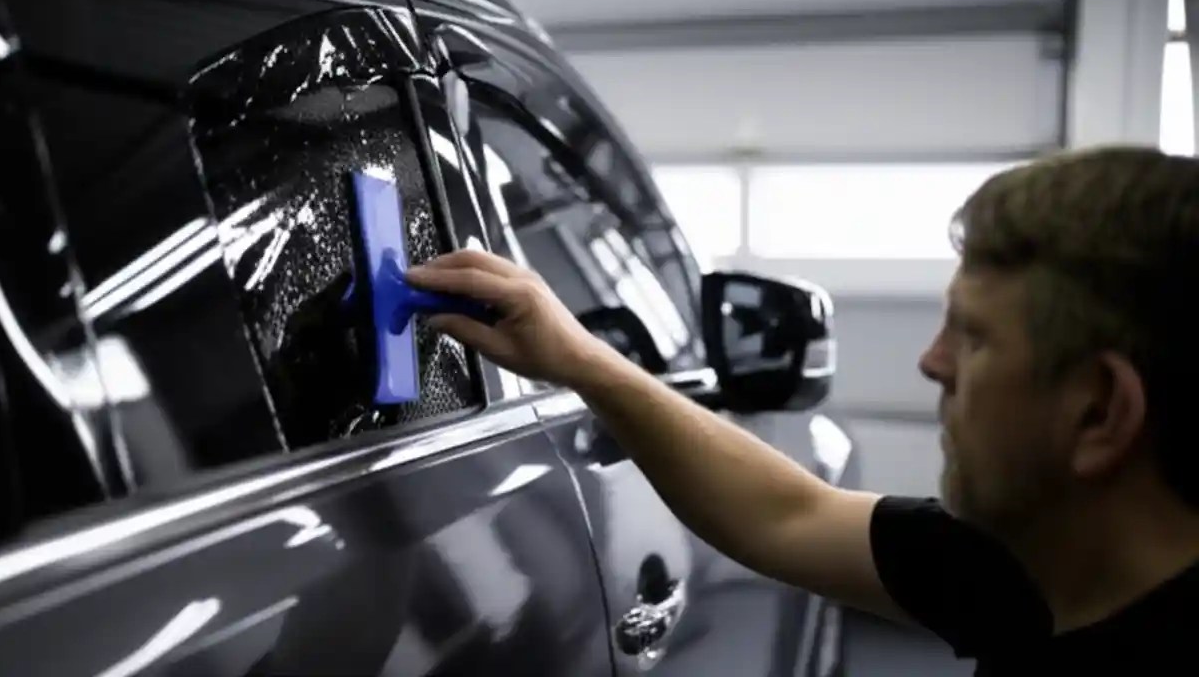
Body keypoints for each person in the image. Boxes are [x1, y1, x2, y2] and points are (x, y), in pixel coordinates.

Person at [407, 146, 1199, 674]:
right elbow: (789, 516)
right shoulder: (1040, 563)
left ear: (1098, 413)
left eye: (975, 337)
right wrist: (580, 358)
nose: (932, 363)